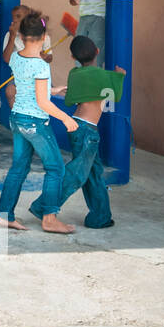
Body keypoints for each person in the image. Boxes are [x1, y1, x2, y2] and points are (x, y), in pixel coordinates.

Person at [0, 12, 79, 234]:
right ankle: (50, 219)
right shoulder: (41, 65)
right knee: (56, 168)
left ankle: (4, 215)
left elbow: (27, 88)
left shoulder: (16, 58)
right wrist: (65, 117)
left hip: (17, 119)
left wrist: (53, 89)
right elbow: (42, 102)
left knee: (19, 168)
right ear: (44, 37)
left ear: (21, 36)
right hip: (35, 123)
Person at [35, 36, 122, 228]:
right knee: (76, 174)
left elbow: (69, 101)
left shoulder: (75, 73)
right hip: (88, 131)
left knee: (93, 174)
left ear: (73, 56)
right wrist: (120, 75)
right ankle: (44, 206)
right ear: (97, 52)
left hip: (77, 127)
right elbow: (116, 95)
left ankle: (100, 217)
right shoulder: (105, 76)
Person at [1, 4, 50, 107]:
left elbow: (49, 58)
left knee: (41, 92)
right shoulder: (10, 35)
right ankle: (18, 118)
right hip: (18, 75)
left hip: (38, 74)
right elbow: (6, 59)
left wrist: (45, 57)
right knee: (10, 91)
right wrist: (12, 36)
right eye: (13, 17)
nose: (14, 20)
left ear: (28, 18)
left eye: (18, 17)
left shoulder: (42, 35)